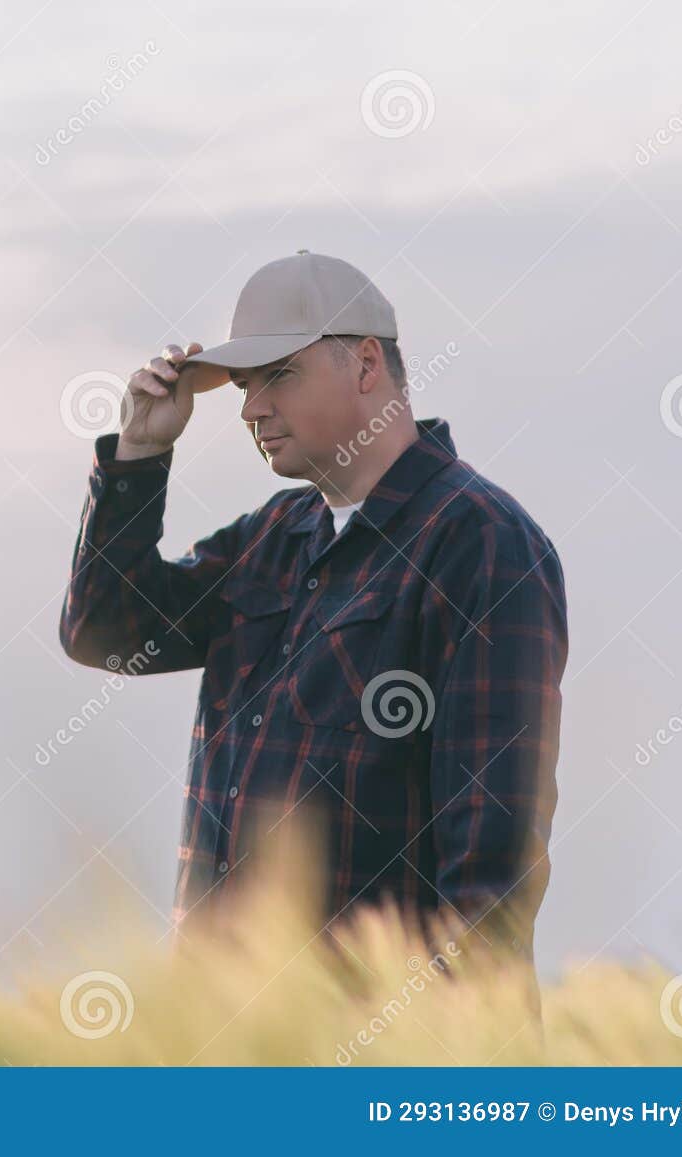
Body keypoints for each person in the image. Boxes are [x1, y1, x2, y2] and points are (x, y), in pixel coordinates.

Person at [59, 250, 567, 1024]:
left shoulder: (480, 542)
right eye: (242, 385)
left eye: (277, 375)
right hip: (221, 1044)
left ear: (366, 364)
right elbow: (104, 631)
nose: (249, 408)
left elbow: (491, 858)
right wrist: (140, 454)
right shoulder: (274, 536)